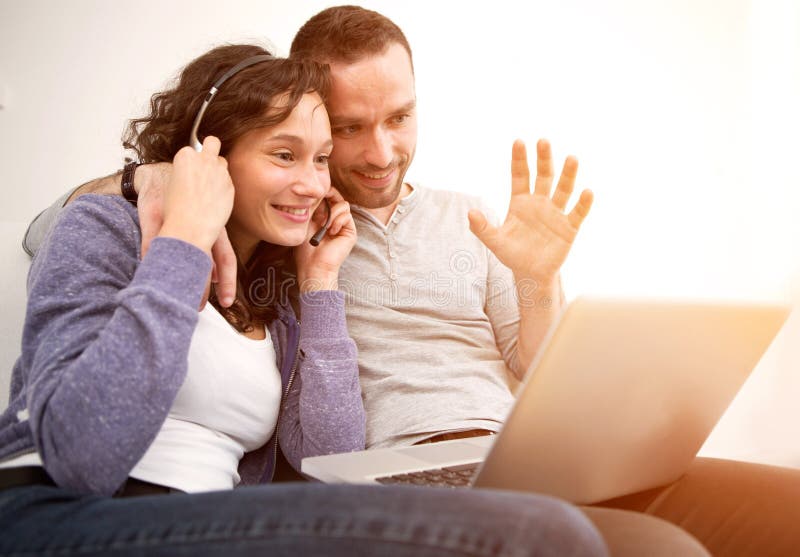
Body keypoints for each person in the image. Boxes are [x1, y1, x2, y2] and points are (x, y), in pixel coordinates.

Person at [26, 6, 785, 557]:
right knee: (638, 547)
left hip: (512, 452)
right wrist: (162, 191)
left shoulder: (400, 243)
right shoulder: (192, 235)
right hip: (377, 480)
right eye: (343, 132)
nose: (378, 153)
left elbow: (534, 372)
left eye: (398, 118)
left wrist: (533, 282)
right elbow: (52, 241)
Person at [0, 43, 610, 557]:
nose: (314, 183)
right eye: (284, 155)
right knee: (545, 534)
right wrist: (184, 231)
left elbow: (328, 455)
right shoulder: (111, 229)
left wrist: (320, 288)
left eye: (320, 159)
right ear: (208, 151)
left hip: (200, 522)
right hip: (59, 512)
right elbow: (82, 458)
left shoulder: (278, 297)